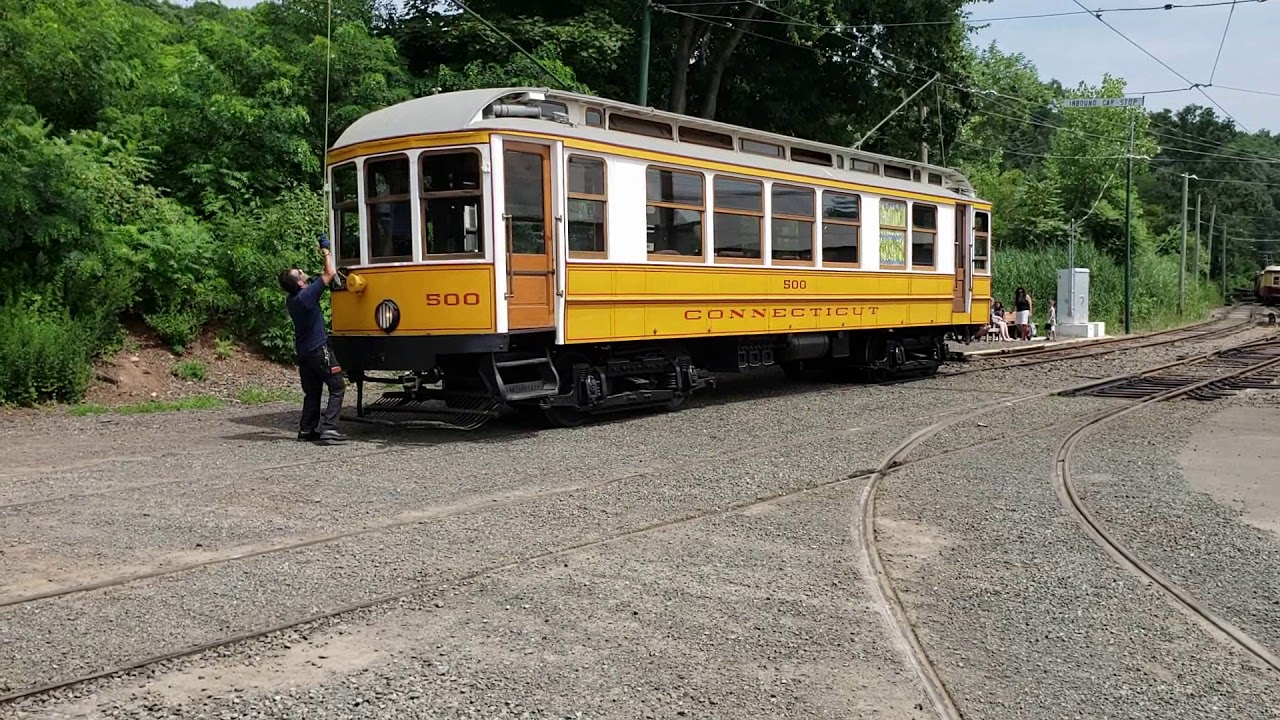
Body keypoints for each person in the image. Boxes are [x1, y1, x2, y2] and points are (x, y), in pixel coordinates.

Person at [279, 233, 345, 442]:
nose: (303, 271)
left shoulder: (292, 300)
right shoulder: (307, 295)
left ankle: (306, 430)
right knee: (337, 386)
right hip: (319, 350)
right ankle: (329, 428)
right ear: (299, 282)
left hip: (304, 353)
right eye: (299, 272)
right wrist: (325, 250)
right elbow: (330, 272)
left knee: (313, 392)